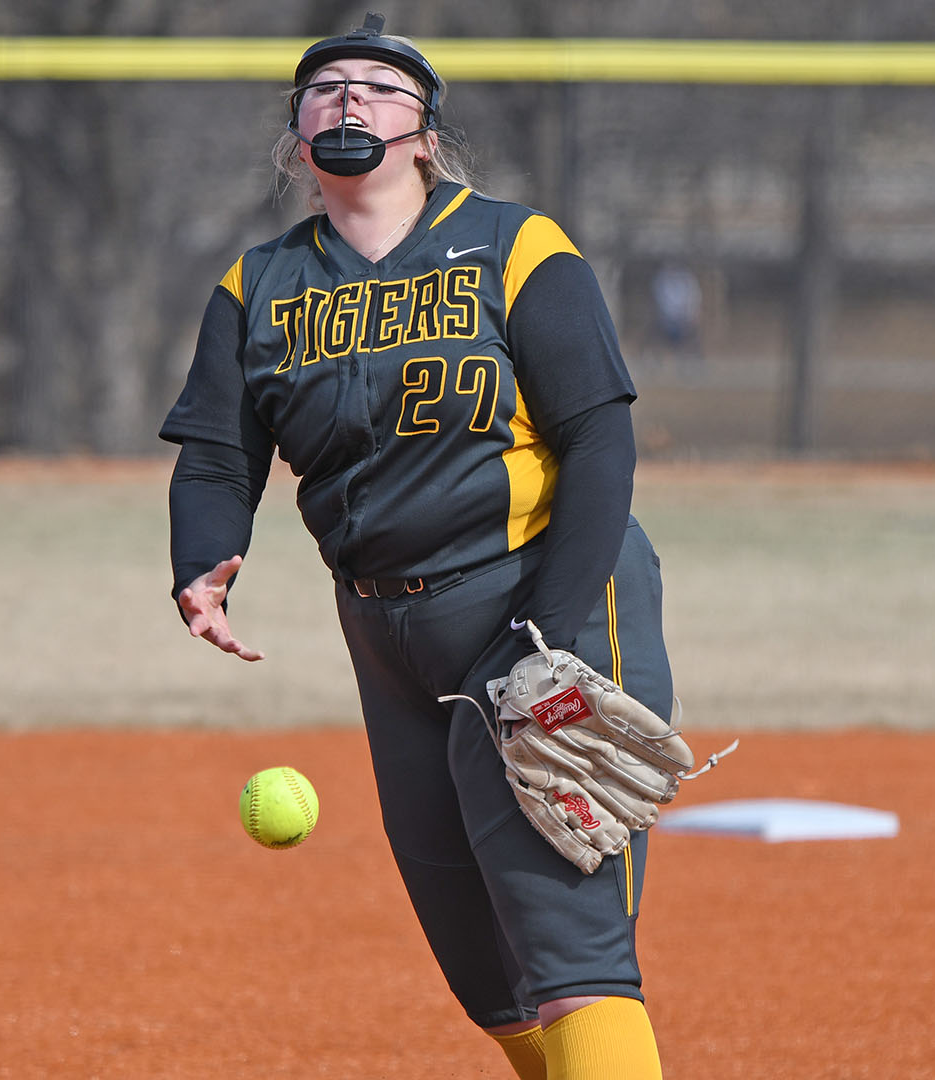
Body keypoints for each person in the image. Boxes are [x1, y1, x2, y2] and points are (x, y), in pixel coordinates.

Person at [160, 14, 674, 1079]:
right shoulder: (257, 288)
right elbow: (218, 453)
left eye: (379, 88)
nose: (349, 99)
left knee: (567, 941)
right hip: (388, 635)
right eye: (326, 88)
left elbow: (598, 437)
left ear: (426, 135)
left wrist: (555, 636)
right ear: (297, 137)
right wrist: (203, 558)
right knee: (480, 963)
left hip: (533, 593)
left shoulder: (517, 246)